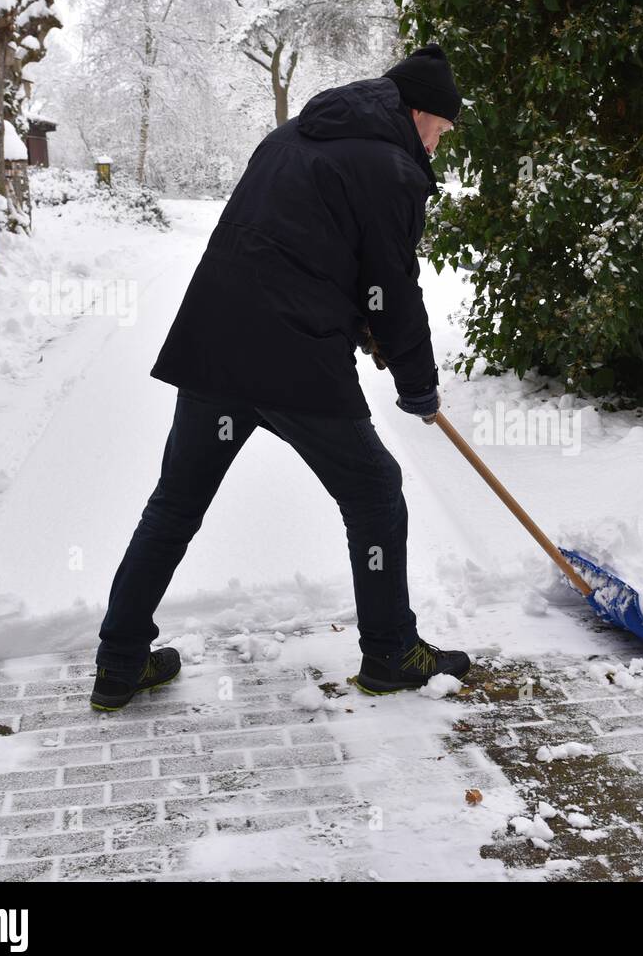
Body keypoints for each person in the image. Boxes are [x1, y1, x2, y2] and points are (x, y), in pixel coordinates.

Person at [90, 45, 470, 711]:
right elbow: (391, 288)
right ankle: (390, 651)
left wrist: (359, 321)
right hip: (295, 356)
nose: (438, 146)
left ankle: (118, 661)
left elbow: (299, 245)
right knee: (377, 491)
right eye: (441, 129)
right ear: (418, 112)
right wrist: (418, 385)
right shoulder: (390, 166)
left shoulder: (295, 134)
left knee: (175, 505)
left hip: (215, 340)